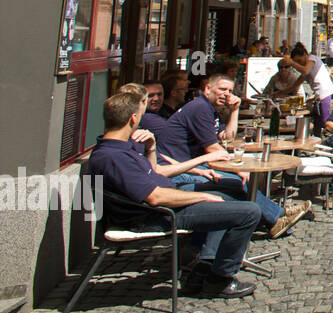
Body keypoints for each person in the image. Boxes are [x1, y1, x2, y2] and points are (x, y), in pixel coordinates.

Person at [88, 91, 262, 298]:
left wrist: (151, 148)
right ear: (132, 118)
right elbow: (155, 197)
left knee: (228, 198)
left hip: (161, 206)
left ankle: (204, 267)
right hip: (155, 215)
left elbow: (153, 173)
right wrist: (201, 197)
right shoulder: (114, 157)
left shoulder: (117, 148)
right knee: (249, 212)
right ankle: (220, 279)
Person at [152, 75, 307, 237]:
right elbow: (212, 148)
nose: (226, 94)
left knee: (237, 182)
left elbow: (228, 137)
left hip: (194, 167)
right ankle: (276, 217)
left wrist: (235, 110)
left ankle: (275, 216)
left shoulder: (210, 109)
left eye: (230, 91)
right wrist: (238, 168)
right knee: (236, 182)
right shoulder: (200, 107)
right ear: (207, 89)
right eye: (222, 89)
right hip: (178, 172)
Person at [288, 42, 333, 125]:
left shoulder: (312, 59)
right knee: (318, 123)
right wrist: (279, 93)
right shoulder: (306, 68)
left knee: (326, 123)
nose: (299, 64)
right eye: (296, 62)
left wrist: (292, 63)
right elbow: (295, 85)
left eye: (299, 61)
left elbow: (305, 70)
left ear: (305, 54)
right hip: (319, 97)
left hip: (326, 95)